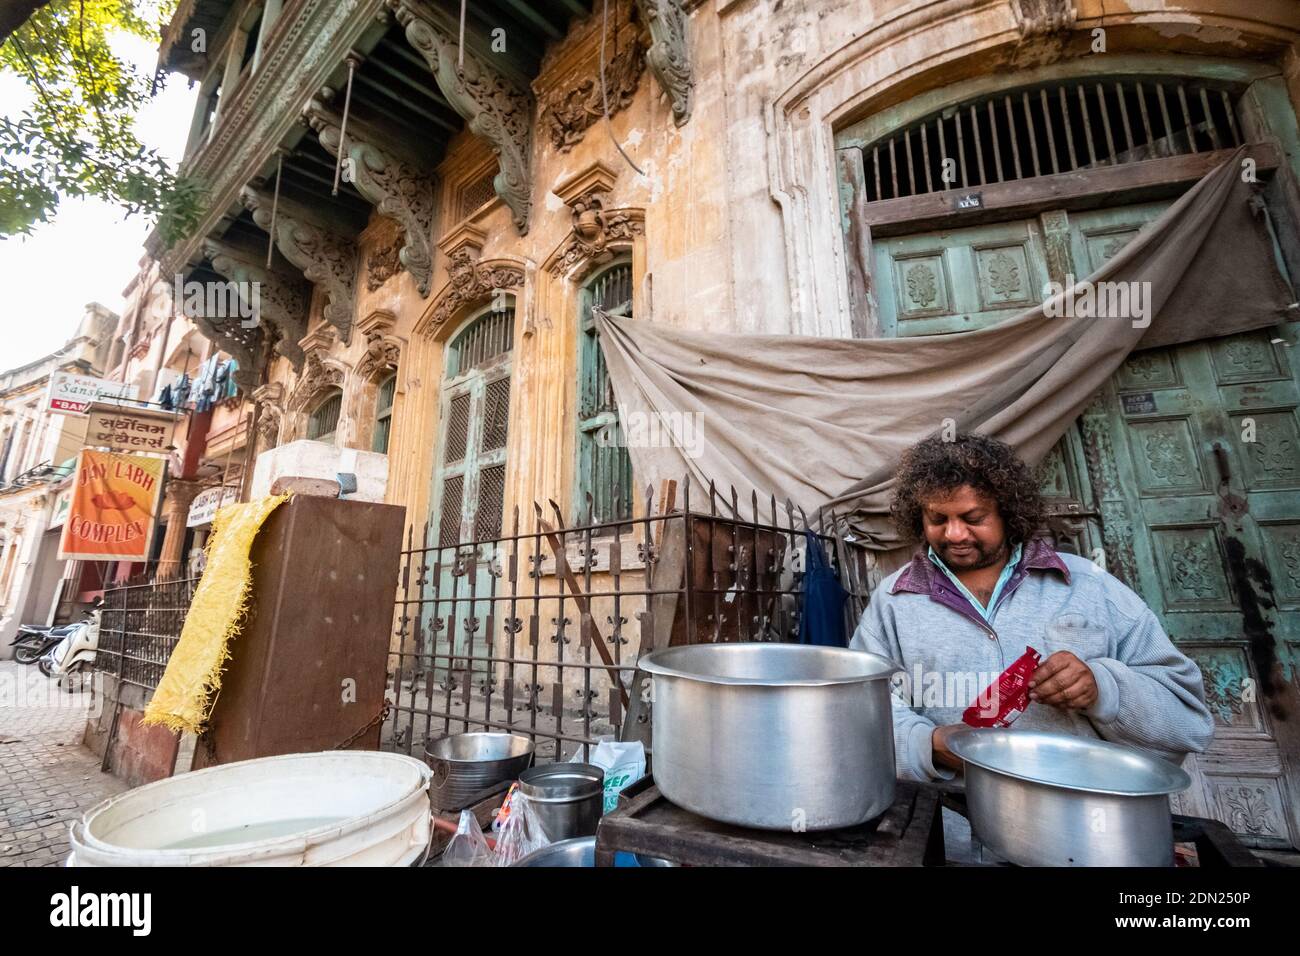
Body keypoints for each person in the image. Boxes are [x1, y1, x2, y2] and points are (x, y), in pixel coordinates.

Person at [850, 433, 1214, 783]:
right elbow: (859, 708)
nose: (955, 534)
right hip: (947, 828)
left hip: (1082, 825)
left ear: (1008, 514)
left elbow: (1187, 720)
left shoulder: (1089, 585)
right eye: (938, 520)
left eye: (973, 518)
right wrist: (925, 746)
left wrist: (1103, 689)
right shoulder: (894, 600)